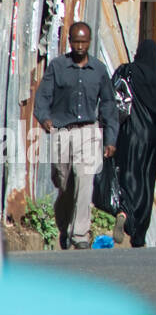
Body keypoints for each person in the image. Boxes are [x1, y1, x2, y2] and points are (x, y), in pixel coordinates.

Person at [33, 22, 118, 250]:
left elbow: (109, 105)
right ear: (69, 42)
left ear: (89, 42)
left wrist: (110, 138)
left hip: (89, 132)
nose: (80, 46)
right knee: (64, 182)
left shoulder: (99, 70)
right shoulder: (58, 67)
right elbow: (42, 98)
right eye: (76, 41)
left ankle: (80, 235)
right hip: (62, 132)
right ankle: (63, 225)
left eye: (84, 42)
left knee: (85, 179)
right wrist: (45, 118)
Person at [112, 39, 156, 247]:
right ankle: (138, 233)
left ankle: (123, 212)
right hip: (151, 140)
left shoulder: (126, 72)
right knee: (146, 184)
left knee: (127, 176)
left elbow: (113, 97)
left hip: (128, 135)